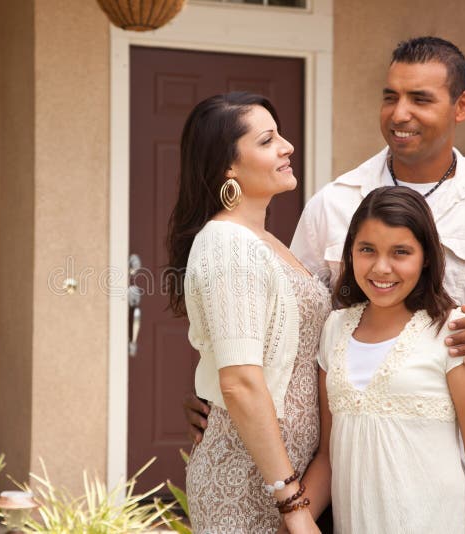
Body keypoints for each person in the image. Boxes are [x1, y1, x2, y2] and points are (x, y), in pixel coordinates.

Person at [184, 36, 465, 447]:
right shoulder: (333, 203)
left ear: (462, 106)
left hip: (458, 461)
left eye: (420, 99)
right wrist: (212, 382)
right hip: (344, 457)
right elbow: (278, 318)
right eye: (391, 97)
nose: (399, 113)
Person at [166, 92, 331, 533]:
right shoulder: (226, 244)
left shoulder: (268, 242)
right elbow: (239, 382)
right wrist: (292, 503)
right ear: (228, 167)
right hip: (249, 480)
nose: (287, 147)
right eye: (267, 140)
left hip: (287, 478)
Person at [306, 186, 465, 532]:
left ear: (426, 256)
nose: (382, 268)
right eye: (367, 249)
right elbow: (327, 458)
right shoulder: (334, 329)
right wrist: (291, 519)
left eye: (401, 252)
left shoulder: (457, 332)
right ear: (350, 253)